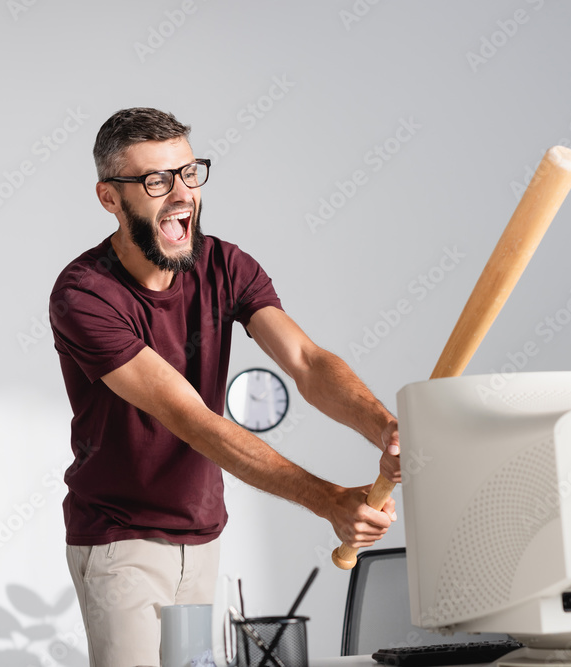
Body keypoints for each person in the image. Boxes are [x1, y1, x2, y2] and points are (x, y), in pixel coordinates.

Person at [50, 107, 401, 667]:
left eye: (190, 172)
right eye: (156, 180)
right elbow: (194, 422)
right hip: (121, 541)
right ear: (110, 198)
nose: (182, 194)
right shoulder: (84, 295)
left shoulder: (225, 265)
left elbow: (307, 362)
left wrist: (385, 427)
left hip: (203, 535)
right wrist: (329, 500)